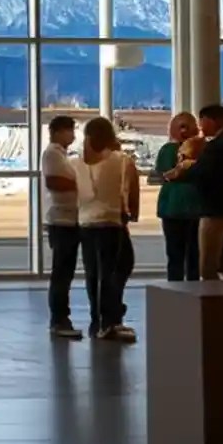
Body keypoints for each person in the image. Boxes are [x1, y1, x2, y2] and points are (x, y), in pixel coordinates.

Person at [165, 104, 223, 280]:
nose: (200, 127)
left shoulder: (214, 147)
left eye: (203, 121)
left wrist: (184, 168)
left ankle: (212, 304)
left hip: (215, 211)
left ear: (215, 121)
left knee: (208, 267)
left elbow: (202, 173)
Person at [74, 116, 139, 341]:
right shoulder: (121, 160)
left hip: (85, 222)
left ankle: (98, 318)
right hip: (111, 223)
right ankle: (109, 320)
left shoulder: (76, 163)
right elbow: (130, 189)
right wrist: (132, 213)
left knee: (93, 273)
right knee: (115, 271)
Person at [41, 116, 81, 339]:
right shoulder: (53, 154)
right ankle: (59, 318)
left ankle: (61, 317)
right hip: (61, 220)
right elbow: (54, 182)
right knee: (62, 273)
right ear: (56, 132)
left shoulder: (64, 155)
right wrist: (82, 183)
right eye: (68, 131)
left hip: (70, 219)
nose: (72, 135)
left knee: (66, 271)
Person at [155, 113, 203, 281]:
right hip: (193, 206)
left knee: (175, 254)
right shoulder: (202, 148)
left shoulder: (167, 150)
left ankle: (175, 289)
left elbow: (162, 173)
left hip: (172, 207)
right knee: (193, 255)